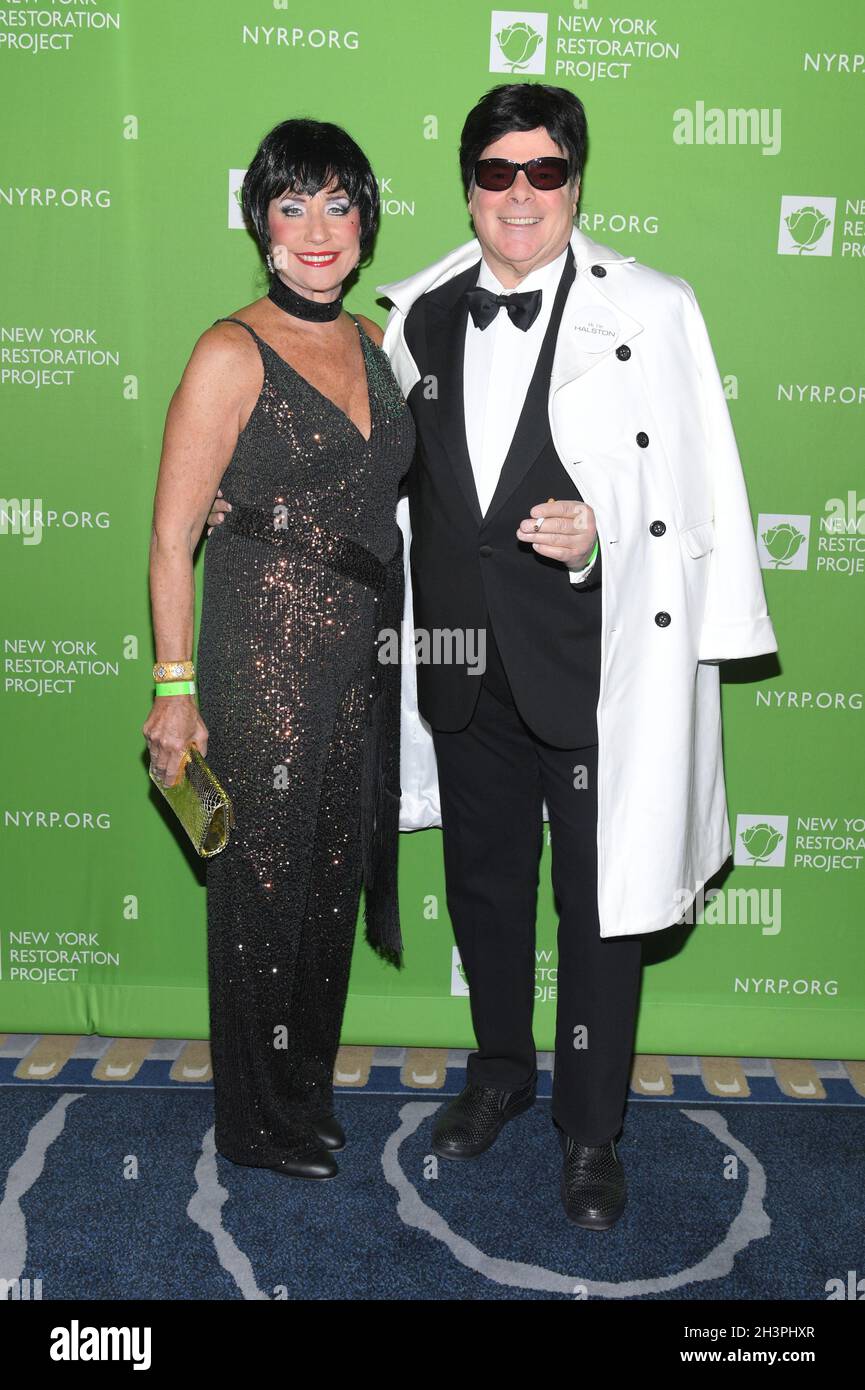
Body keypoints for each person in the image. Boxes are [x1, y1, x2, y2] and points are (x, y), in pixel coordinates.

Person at [208, 83, 778, 1229]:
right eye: (496, 172)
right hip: (460, 660)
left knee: (598, 903)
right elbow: (371, 481)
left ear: (575, 179)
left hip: (591, 662)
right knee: (482, 888)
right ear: (468, 185)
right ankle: (499, 1075)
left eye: (544, 172)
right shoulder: (410, 311)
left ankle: (588, 1129)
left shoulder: (655, 308)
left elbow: (700, 490)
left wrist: (602, 537)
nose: (519, 193)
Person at [144, 118, 414, 1181]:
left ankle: (302, 1090)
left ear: (364, 225)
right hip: (263, 656)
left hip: (359, 660)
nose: (315, 228)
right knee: (259, 887)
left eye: (337, 204)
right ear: (260, 223)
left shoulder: (375, 345)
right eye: (291, 204)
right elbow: (171, 535)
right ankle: (252, 1122)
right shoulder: (228, 348)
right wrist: (176, 689)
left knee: (329, 881)